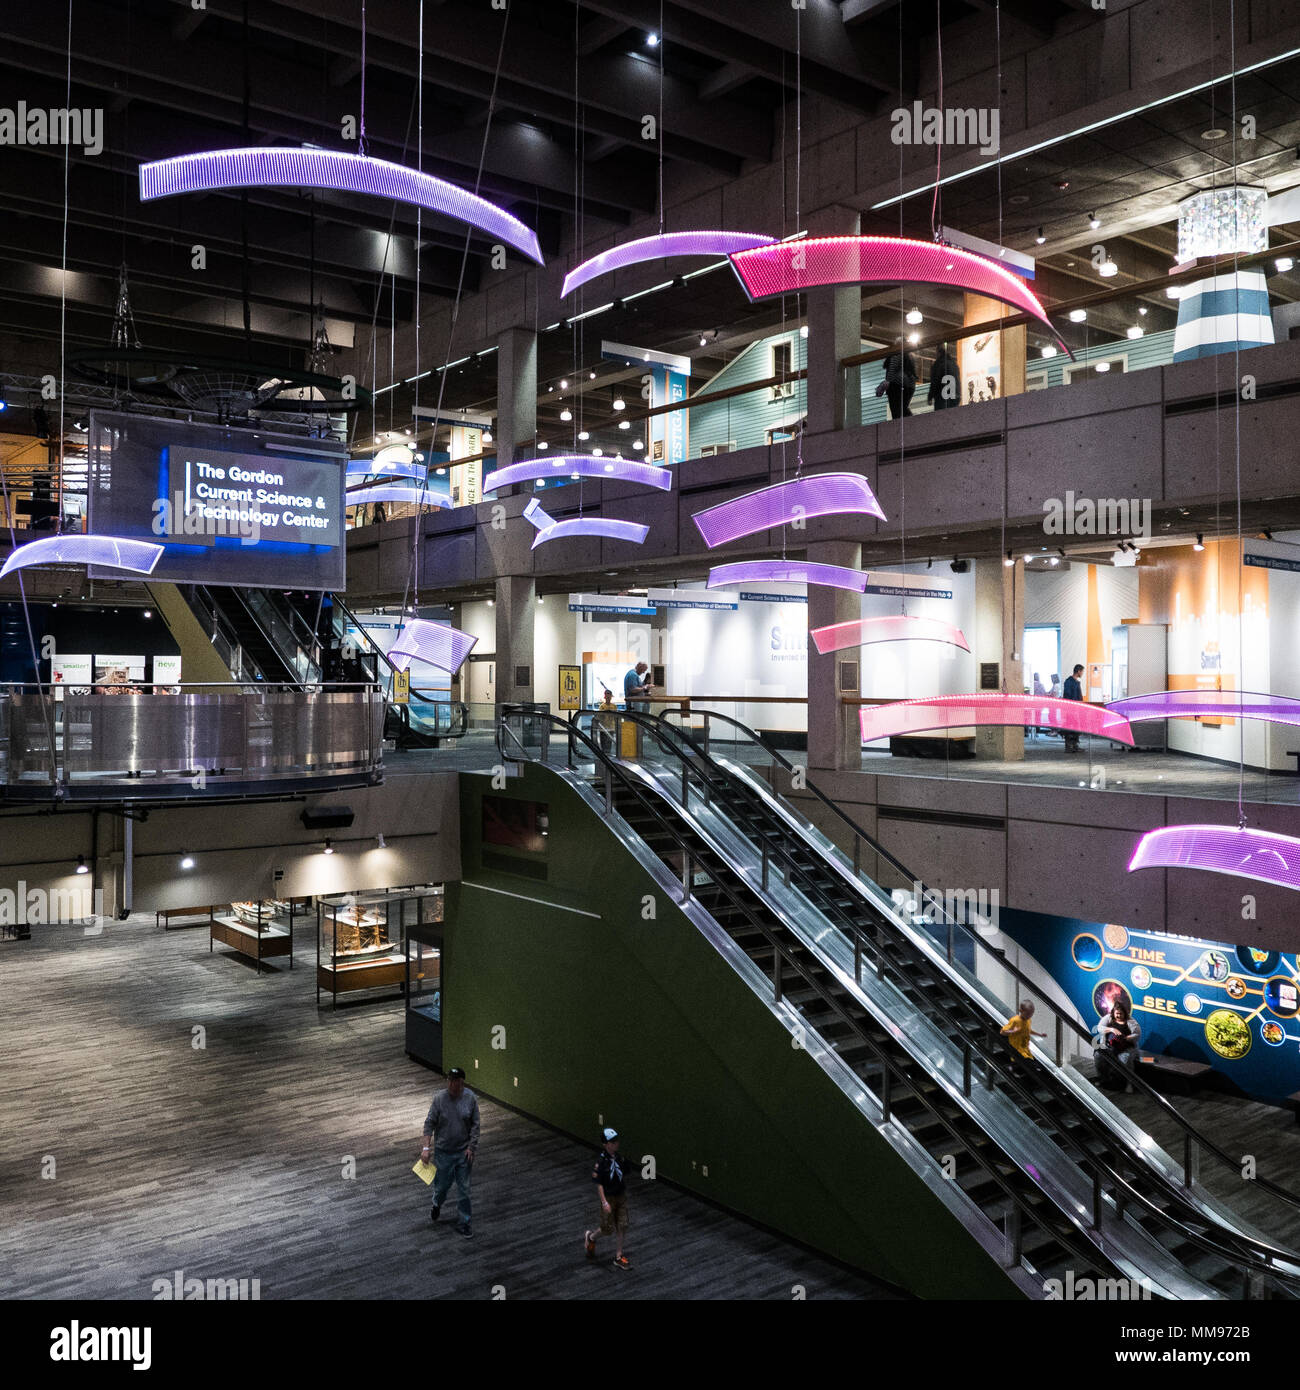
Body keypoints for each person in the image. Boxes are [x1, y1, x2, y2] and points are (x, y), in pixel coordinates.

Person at [421, 1066, 481, 1238]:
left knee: (464, 1189)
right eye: (450, 1080)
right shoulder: (439, 1099)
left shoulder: (470, 1099)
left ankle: (465, 1223)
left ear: (462, 1083)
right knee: (442, 1187)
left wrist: (472, 1147)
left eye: (455, 1081)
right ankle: (437, 1204)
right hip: (444, 1152)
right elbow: (429, 1124)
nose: (452, 1084)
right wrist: (426, 1148)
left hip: (463, 1153)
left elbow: (476, 1125)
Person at [584, 1126, 631, 1270]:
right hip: (609, 1197)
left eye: (616, 1140)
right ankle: (591, 1237)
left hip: (620, 1195)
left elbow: (624, 1173)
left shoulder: (620, 1158)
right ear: (606, 1144)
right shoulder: (601, 1162)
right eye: (613, 1141)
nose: (616, 1143)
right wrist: (604, 1202)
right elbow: (599, 1184)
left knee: (622, 1225)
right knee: (607, 1228)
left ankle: (618, 1256)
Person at [1096, 1000, 1142, 1093]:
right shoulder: (1108, 1018)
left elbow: (1137, 1034)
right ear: (1113, 1013)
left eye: (1121, 1014)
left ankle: (1129, 1083)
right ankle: (1103, 1080)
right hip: (1110, 1046)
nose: (1119, 1016)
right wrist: (1111, 1029)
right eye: (1117, 1013)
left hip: (1126, 1048)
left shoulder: (1130, 1021)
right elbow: (1100, 1027)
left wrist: (1126, 1038)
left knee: (1125, 1060)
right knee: (1099, 1056)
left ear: (1124, 1013)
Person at [875, 338, 918, 419]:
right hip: (910, 387)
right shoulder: (911, 356)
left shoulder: (897, 354)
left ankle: (899, 427)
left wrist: (886, 383)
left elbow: (892, 370)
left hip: (896, 385)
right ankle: (912, 422)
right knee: (903, 409)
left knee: (896, 410)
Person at [928, 343, 960, 411]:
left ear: (938, 352)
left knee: (941, 419)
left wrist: (930, 397)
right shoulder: (954, 364)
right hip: (955, 396)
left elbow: (934, 381)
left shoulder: (938, 364)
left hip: (943, 397)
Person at [1062, 662, 1084, 753]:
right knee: (1069, 727)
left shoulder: (1077, 682)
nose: (1082, 673)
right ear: (1078, 671)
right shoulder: (1069, 681)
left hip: (1077, 708)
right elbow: (1067, 695)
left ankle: (1075, 745)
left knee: (1076, 727)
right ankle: (1068, 746)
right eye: (1082, 671)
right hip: (1070, 708)